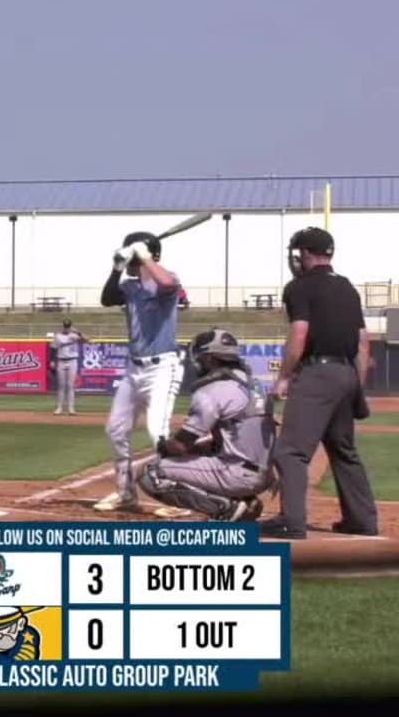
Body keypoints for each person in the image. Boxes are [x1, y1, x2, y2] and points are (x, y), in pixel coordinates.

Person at [261, 227, 377, 539]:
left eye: (298, 253)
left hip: (317, 374)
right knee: (344, 451)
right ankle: (363, 521)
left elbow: (299, 334)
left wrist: (284, 377)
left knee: (290, 452)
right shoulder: (347, 287)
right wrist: (357, 385)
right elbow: (363, 342)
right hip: (346, 374)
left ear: (305, 254)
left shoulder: (300, 287)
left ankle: (292, 521)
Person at [134, 328, 275, 522]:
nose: (197, 363)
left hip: (237, 474)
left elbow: (180, 445)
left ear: (209, 359)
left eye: (199, 359)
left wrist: (165, 445)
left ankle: (226, 508)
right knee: (202, 449)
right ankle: (245, 501)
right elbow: (229, 439)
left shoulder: (212, 390)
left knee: (149, 472)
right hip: (265, 474)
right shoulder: (254, 384)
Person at [93, 232, 185, 513]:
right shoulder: (130, 287)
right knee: (116, 429)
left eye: (133, 258)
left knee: (158, 431)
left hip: (163, 367)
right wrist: (116, 267)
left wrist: (144, 255)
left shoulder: (167, 279)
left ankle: (175, 498)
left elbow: (168, 284)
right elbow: (107, 299)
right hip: (134, 368)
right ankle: (125, 493)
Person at [50, 319, 88, 416]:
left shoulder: (74, 335)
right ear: (63, 326)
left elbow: (87, 339)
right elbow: (53, 348)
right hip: (61, 360)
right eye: (65, 326)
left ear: (70, 326)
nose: (67, 328)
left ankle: (71, 408)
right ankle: (59, 408)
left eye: (68, 326)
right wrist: (52, 360)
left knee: (70, 385)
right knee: (61, 385)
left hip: (72, 360)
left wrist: (78, 332)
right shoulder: (58, 336)